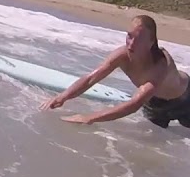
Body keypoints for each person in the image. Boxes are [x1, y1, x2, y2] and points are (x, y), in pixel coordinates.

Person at [41, 15, 190, 127]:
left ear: (151, 42)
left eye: (139, 39)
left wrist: (90, 118)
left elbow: (134, 104)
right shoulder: (122, 56)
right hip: (154, 104)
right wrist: (63, 97)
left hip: (185, 100)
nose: (131, 44)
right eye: (129, 36)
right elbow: (91, 78)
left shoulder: (160, 64)